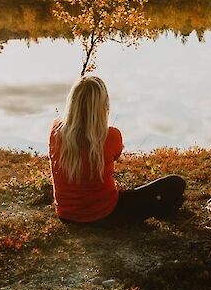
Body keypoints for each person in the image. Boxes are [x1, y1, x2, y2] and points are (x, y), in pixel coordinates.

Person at [49, 75, 185, 223]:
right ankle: (162, 210)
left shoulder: (56, 130)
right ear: (103, 104)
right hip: (106, 213)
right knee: (176, 183)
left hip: (66, 215)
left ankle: (161, 209)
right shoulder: (110, 135)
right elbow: (116, 154)